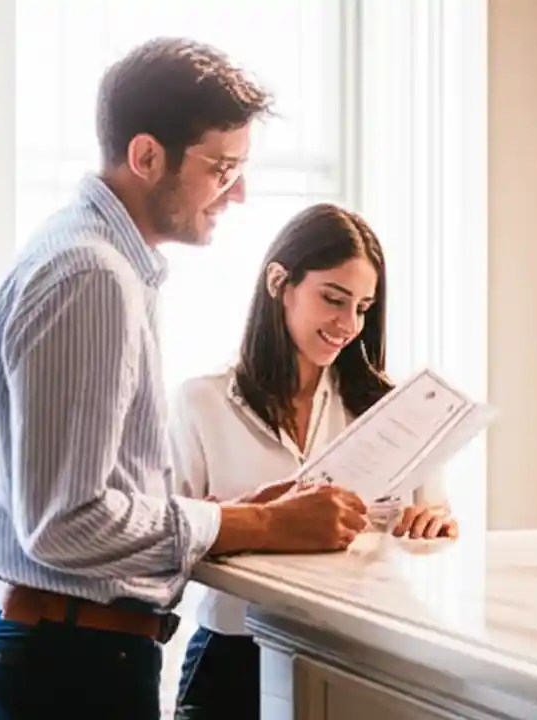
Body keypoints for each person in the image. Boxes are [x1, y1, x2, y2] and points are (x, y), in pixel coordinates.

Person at [0, 38, 369, 719]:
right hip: (66, 665)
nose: (239, 193)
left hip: (55, 649)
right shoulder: (92, 275)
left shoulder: (86, 257)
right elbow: (66, 523)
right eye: (222, 168)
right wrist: (256, 522)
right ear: (146, 156)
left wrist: (240, 518)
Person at [168, 203, 459, 719]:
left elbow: (437, 542)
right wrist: (250, 521)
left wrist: (435, 527)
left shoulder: (393, 412)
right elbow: (169, 544)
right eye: (333, 299)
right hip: (233, 659)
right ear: (279, 282)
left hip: (359, 657)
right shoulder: (200, 403)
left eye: (363, 307)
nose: (348, 324)